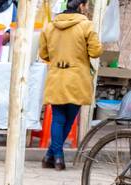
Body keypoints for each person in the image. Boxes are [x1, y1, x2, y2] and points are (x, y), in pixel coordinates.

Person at [38, 0, 101, 170]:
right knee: (70, 118)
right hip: (77, 78)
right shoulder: (86, 26)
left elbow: (43, 53)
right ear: (81, 6)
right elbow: (96, 51)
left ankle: (54, 155)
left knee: (58, 118)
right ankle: (56, 155)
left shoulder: (50, 26)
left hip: (57, 76)